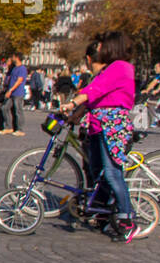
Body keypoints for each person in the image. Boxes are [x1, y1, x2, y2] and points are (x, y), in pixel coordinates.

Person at [58, 33, 138, 242]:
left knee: (112, 173)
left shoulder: (121, 67)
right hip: (98, 123)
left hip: (111, 123)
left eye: (102, 45)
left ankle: (127, 220)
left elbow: (94, 90)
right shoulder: (110, 68)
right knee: (97, 171)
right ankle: (103, 212)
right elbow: (93, 95)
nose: (99, 49)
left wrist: (72, 103)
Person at [0, 53, 28, 135]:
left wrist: (11, 90)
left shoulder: (22, 68)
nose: (12, 58)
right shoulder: (14, 68)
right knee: (4, 108)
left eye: (13, 57)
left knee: (18, 111)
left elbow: (19, 80)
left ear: (17, 58)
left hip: (18, 92)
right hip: (11, 92)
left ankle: (20, 129)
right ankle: (8, 127)